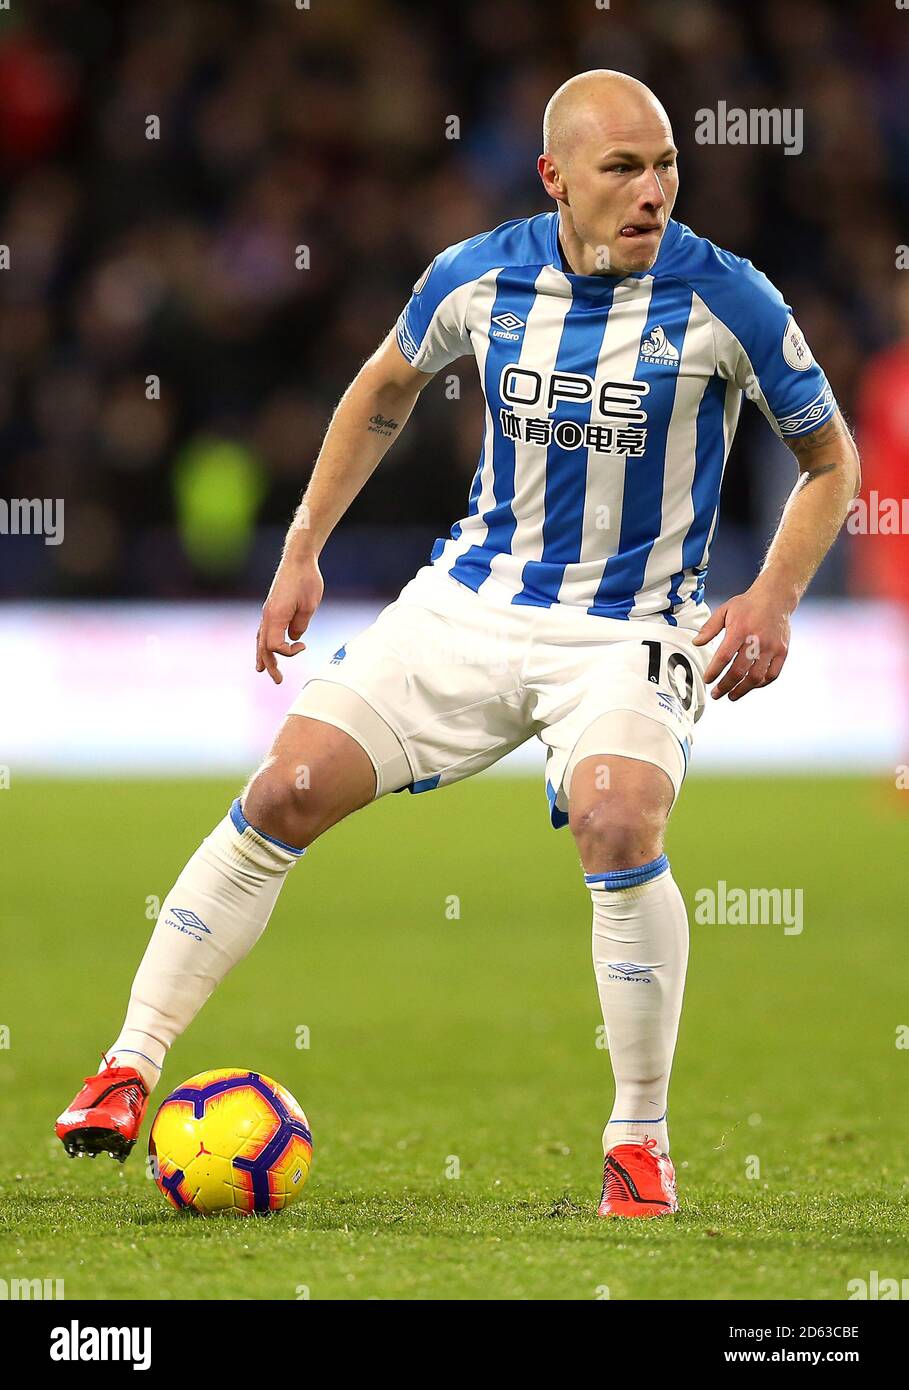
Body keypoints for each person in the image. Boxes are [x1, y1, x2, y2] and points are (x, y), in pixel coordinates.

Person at [56, 70, 860, 1218]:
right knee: (285, 789)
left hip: (630, 626)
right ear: (555, 178)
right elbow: (383, 387)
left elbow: (833, 462)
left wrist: (774, 595)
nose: (653, 192)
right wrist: (301, 549)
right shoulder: (479, 275)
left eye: (667, 164)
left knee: (621, 814)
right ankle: (128, 1065)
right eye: (622, 169)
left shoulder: (731, 299)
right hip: (470, 604)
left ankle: (639, 1139)